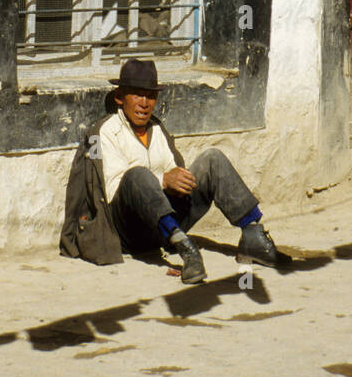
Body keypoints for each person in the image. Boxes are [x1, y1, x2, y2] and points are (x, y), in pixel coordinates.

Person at [60, 58, 279, 284]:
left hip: (161, 225)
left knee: (212, 160)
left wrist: (177, 180)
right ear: (119, 97)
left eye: (151, 96)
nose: (144, 103)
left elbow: (172, 170)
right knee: (137, 175)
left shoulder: (156, 128)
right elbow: (113, 189)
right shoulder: (105, 132)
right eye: (136, 94)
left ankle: (252, 234)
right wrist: (163, 180)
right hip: (126, 231)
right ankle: (187, 251)